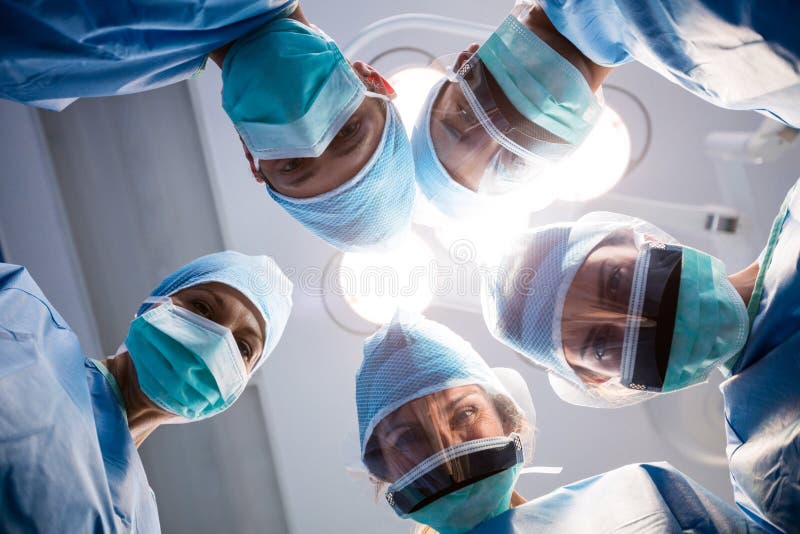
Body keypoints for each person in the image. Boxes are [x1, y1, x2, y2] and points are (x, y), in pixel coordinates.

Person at [481, 178, 800, 531]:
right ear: (600, 380)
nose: (637, 318)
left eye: (615, 280)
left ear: (636, 239)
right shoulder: (769, 475)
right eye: (600, 343)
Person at [0, 1, 416, 251]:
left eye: (292, 164)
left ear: (251, 158)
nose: (305, 128)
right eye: (347, 131)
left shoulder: (55, 71)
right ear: (373, 80)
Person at [355, 313, 765, 533]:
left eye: (464, 413)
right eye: (407, 437)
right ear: (385, 474)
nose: (446, 446)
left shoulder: (642, 497)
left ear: (508, 419)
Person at [411, 0, 799, 220]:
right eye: (511, 161)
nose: (499, 127)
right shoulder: (720, 75)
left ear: (466, 59)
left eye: (463, 118)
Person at [0, 250, 292, 531]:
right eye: (202, 308)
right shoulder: (18, 313)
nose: (214, 345)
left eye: (243, 348)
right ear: (155, 303)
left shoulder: (140, 523)